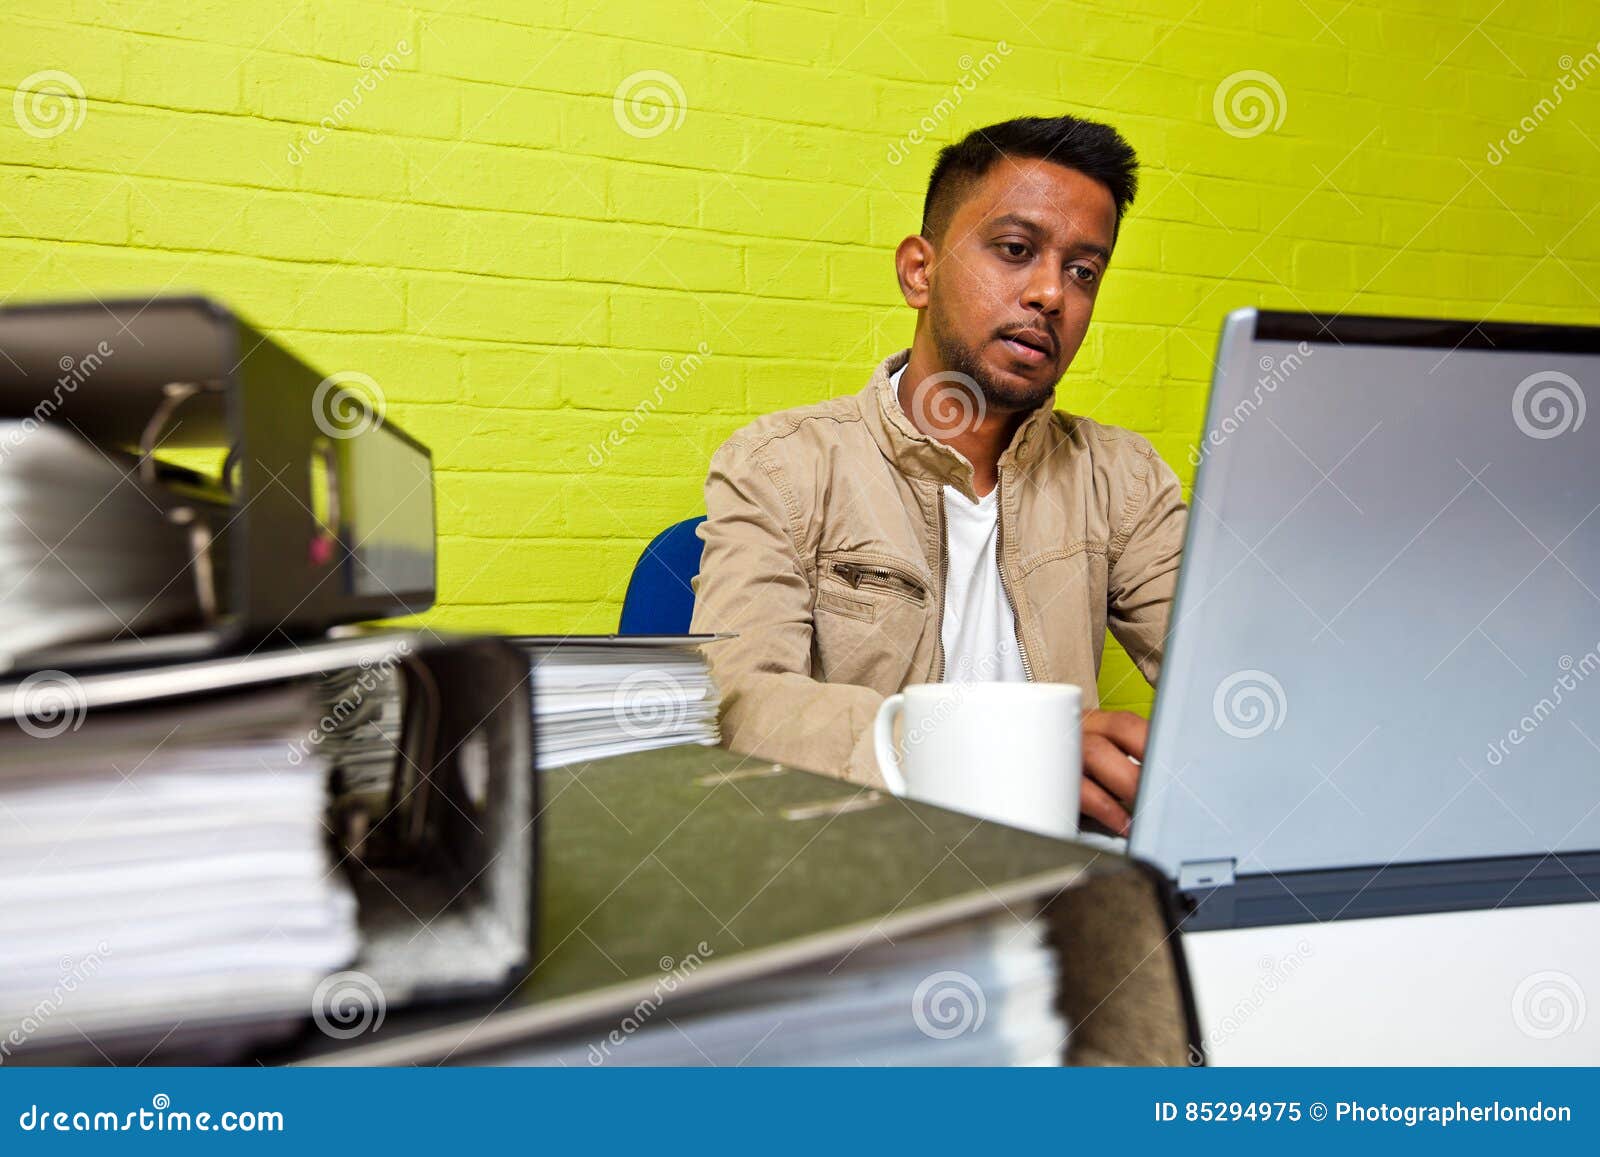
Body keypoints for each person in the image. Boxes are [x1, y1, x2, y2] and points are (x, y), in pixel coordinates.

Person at [689, 114, 1186, 836]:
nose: (1051, 293)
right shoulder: (780, 464)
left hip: (1059, 880)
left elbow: (1228, 676)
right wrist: (1011, 746)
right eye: (1016, 249)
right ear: (919, 271)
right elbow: (738, 703)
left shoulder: (1124, 478)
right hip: (855, 873)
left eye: (1084, 271)